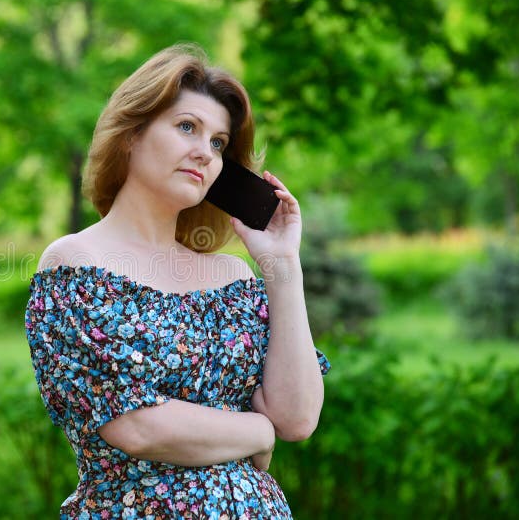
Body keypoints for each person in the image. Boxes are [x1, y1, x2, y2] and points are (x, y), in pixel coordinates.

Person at [24, 43, 331, 519]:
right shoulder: (75, 266)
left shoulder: (233, 277)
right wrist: (257, 431)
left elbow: (295, 418)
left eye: (218, 143)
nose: (204, 153)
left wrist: (282, 268)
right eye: (187, 126)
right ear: (132, 133)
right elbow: (138, 428)